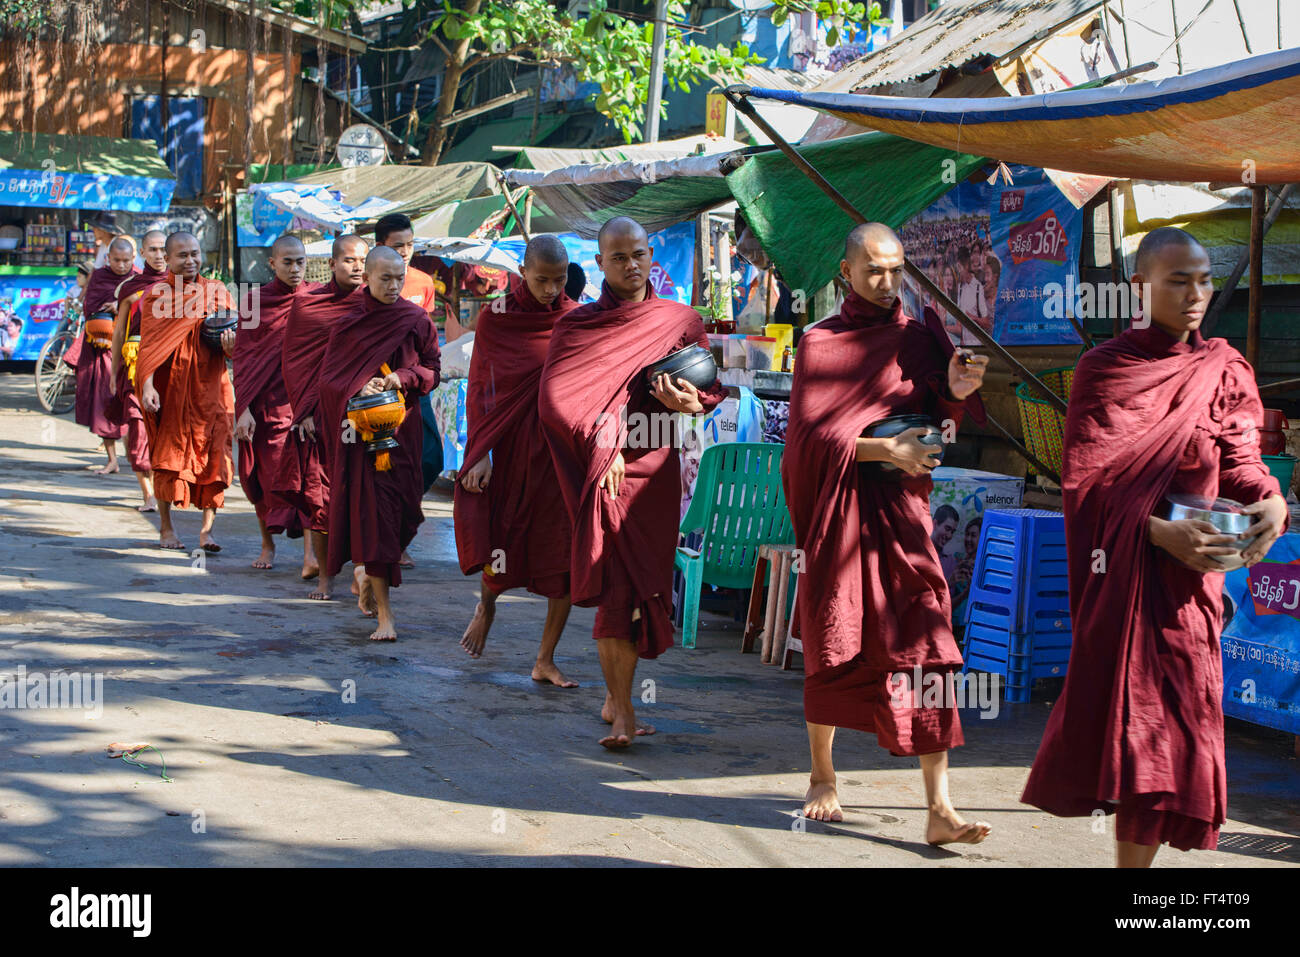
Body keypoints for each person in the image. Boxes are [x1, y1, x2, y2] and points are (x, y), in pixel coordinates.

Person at [1020, 227, 1288, 867]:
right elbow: (1087, 481)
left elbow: (1242, 464)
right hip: (1127, 581)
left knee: (1183, 729)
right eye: (1178, 280)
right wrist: (1156, 530)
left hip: (1192, 592)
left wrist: (1272, 500)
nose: (1196, 294)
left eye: (1203, 279)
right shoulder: (1107, 369)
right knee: (1140, 734)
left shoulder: (1223, 368)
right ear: (1139, 286)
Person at [783, 221, 992, 845]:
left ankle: (939, 808)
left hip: (904, 521)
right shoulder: (822, 342)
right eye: (873, 269)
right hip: (841, 519)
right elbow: (811, 443)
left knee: (929, 648)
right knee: (834, 637)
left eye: (896, 268)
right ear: (844, 272)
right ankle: (822, 775)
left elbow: (941, 427)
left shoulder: (922, 340)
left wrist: (953, 397)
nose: (886, 281)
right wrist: (881, 450)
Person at [538, 216, 726, 749]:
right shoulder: (576, 327)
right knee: (617, 590)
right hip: (607, 473)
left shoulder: (678, 319)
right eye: (618, 257)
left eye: (639, 254)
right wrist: (605, 445)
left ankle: (613, 696)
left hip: (656, 468)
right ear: (599, 263)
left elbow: (710, 389)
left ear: (651, 256)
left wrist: (691, 403)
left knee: (647, 587)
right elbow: (555, 403)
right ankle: (622, 708)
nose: (631, 264)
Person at [455, 235, 578, 687]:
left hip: (559, 453)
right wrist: (480, 451)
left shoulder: (573, 318)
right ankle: (487, 603)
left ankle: (545, 658)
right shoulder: (496, 318)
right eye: (541, 279)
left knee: (562, 553)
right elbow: (479, 390)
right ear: (522, 271)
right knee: (505, 538)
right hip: (510, 449)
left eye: (559, 280)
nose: (549, 289)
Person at [318, 246, 440, 641]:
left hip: (404, 433)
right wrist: (359, 386)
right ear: (367, 277)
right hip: (363, 439)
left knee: (406, 515)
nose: (392, 286)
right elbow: (330, 381)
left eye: (398, 279)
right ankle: (386, 615)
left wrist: (402, 378)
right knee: (376, 520)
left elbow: (432, 371)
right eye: (384, 278)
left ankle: (367, 572)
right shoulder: (349, 321)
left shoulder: (416, 319)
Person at [276, 234, 368, 601]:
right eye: (348, 260)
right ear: (331, 264)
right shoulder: (309, 305)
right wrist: (305, 411)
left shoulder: (374, 306)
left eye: (362, 259)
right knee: (321, 497)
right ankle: (325, 578)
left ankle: (360, 571)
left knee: (362, 498)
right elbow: (295, 363)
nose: (357, 266)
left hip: (363, 417)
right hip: (320, 418)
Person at [136, 231, 236, 552]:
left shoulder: (217, 291)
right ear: (168, 259)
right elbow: (149, 348)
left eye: (195, 253)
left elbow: (237, 342)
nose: (191, 260)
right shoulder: (156, 296)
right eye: (183, 255)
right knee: (168, 456)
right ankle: (166, 528)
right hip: (173, 388)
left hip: (212, 386)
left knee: (217, 452)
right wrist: (148, 384)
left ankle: (207, 531)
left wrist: (232, 346)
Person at [234, 235, 317, 574]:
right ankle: (268, 545)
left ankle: (311, 556)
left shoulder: (317, 297)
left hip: (307, 404)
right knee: (266, 480)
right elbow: (243, 356)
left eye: (300, 262)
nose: (295, 268)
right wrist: (243, 408)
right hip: (269, 406)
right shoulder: (254, 302)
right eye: (287, 262)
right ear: (272, 264)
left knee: (311, 479)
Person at [374, 212, 437, 566]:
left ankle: (402, 521)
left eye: (411, 244)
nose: (407, 251)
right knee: (380, 467)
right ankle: (388, 542)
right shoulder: (367, 285)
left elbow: (424, 336)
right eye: (399, 245)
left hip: (413, 387)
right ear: (381, 247)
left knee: (429, 458)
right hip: (375, 391)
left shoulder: (423, 282)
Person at [109, 229, 168, 512]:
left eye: (162, 250)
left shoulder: (180, 285)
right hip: (134, 367)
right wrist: (113, 373)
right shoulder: (131, 289)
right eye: (153, 250)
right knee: (137, 427)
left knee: (162, 430)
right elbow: (118, 332)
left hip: (168, 369)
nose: (159, 256)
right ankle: (148, 494)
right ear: (142, 253)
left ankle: (162, 488)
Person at [68, 236, 136, 475]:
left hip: (129, 352)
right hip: (102, 347)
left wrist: (122, 305)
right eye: (116, 260)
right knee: (103, 402)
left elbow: (145, 308)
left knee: (130, 404)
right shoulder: (100, 276)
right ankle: (111, 459)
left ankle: (134, 456)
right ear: (108, 259)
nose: (121, 265)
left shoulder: (137, 279)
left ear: (133, 259)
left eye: (126, 260)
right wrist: (110, 304)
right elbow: (90, 306)